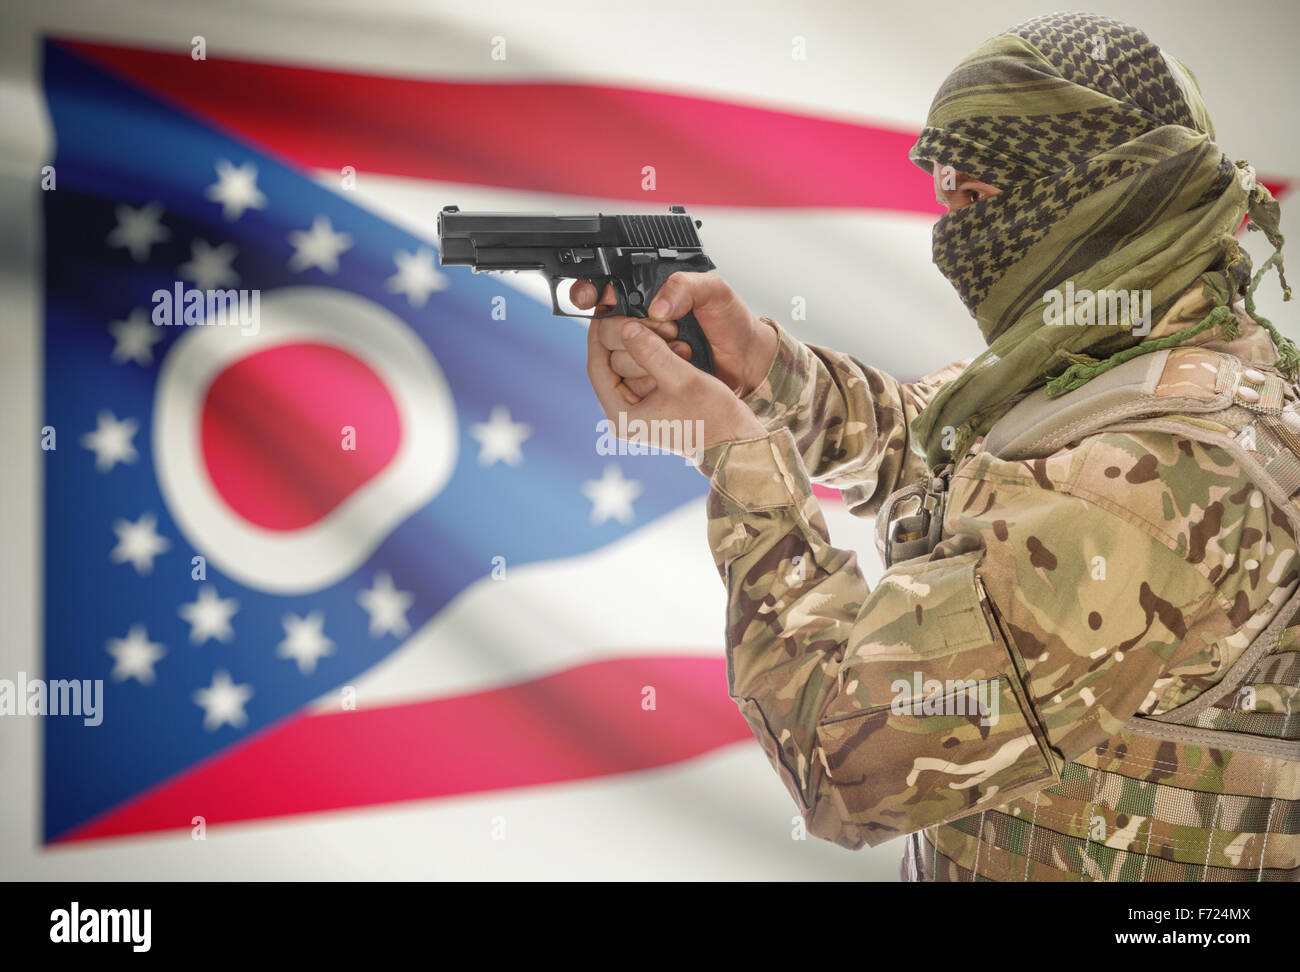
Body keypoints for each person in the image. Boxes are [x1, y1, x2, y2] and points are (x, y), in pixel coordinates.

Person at [578, 12, 1298, 881]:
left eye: (975, 197)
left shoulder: (1155, 482)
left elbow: (848, 768)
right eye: (943, 192)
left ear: (1096, 191)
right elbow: (934, 449)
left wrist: (738, 456)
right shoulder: (1126, 360)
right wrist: (763, 366)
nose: (950, 229)